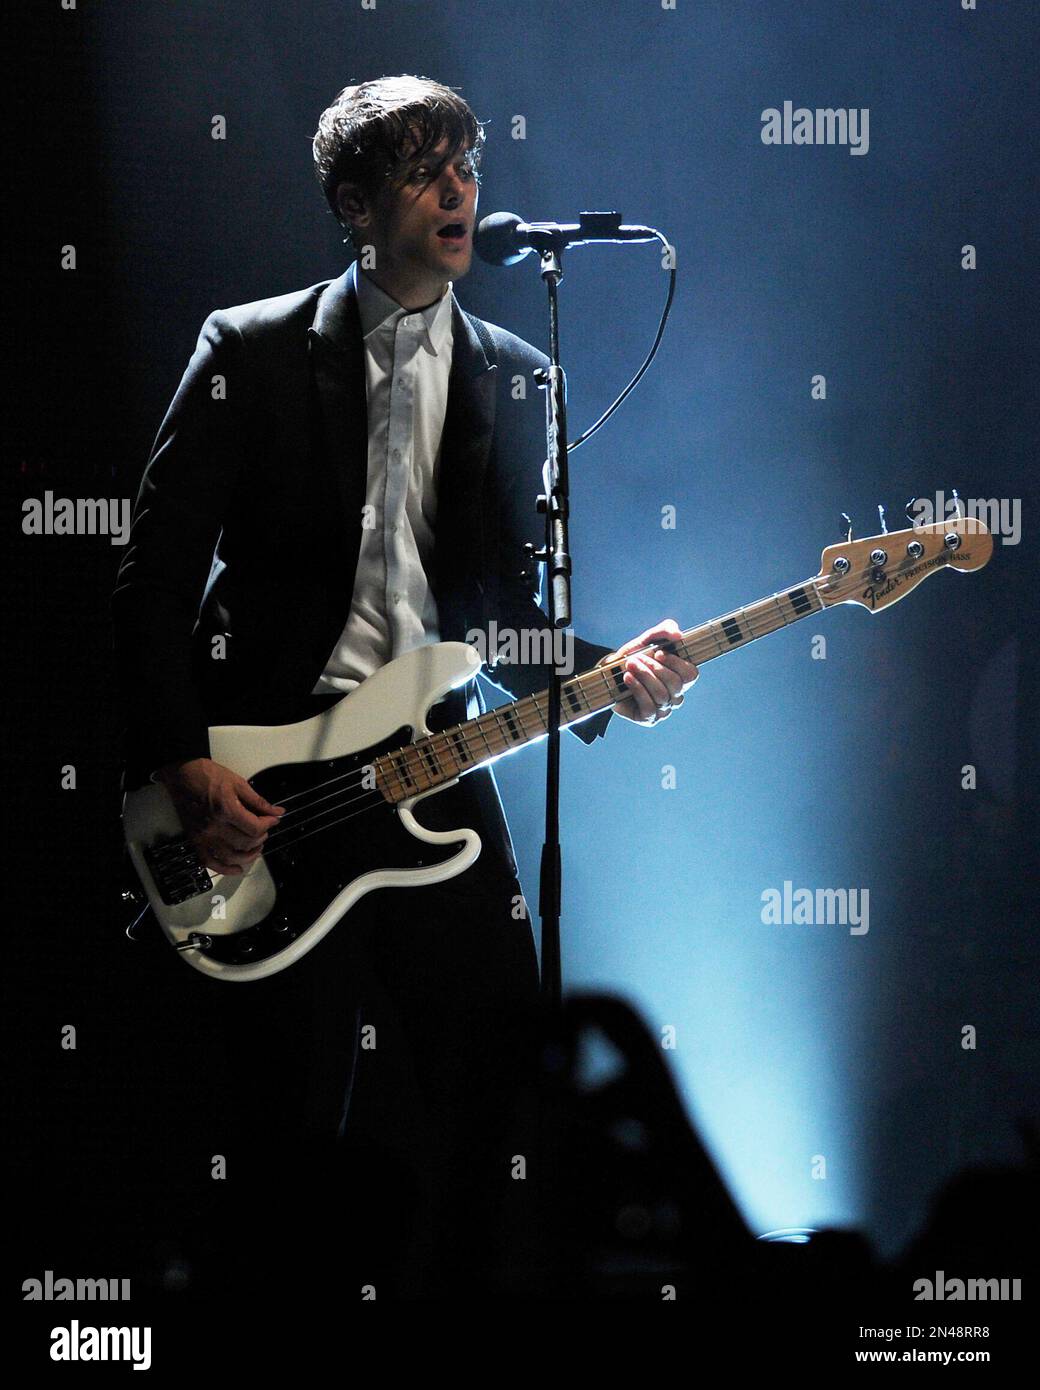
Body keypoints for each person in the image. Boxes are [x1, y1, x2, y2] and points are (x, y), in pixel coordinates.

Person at [111, 74, 698, 1300]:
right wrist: (181, 761)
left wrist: (603, 675)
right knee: (277, 1124)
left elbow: (493, 606)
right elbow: (152, 578)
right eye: (425, 168)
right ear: (353, 201)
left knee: (502, 1103)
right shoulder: (252, 348)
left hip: (428, 755)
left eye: (467, 165)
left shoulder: (516, 374)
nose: (457, 190)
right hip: (261, 784)